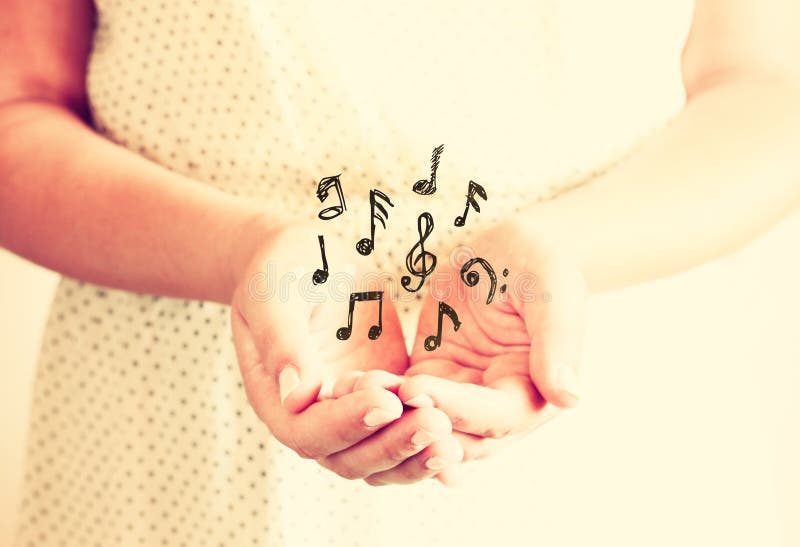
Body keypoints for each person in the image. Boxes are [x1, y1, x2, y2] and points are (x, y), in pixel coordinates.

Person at [1, 0, 798, 545]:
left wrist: (565, 249)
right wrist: (242, 251)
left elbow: (764, 86)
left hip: (601, 376)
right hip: (182, 409)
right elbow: (17, 105)